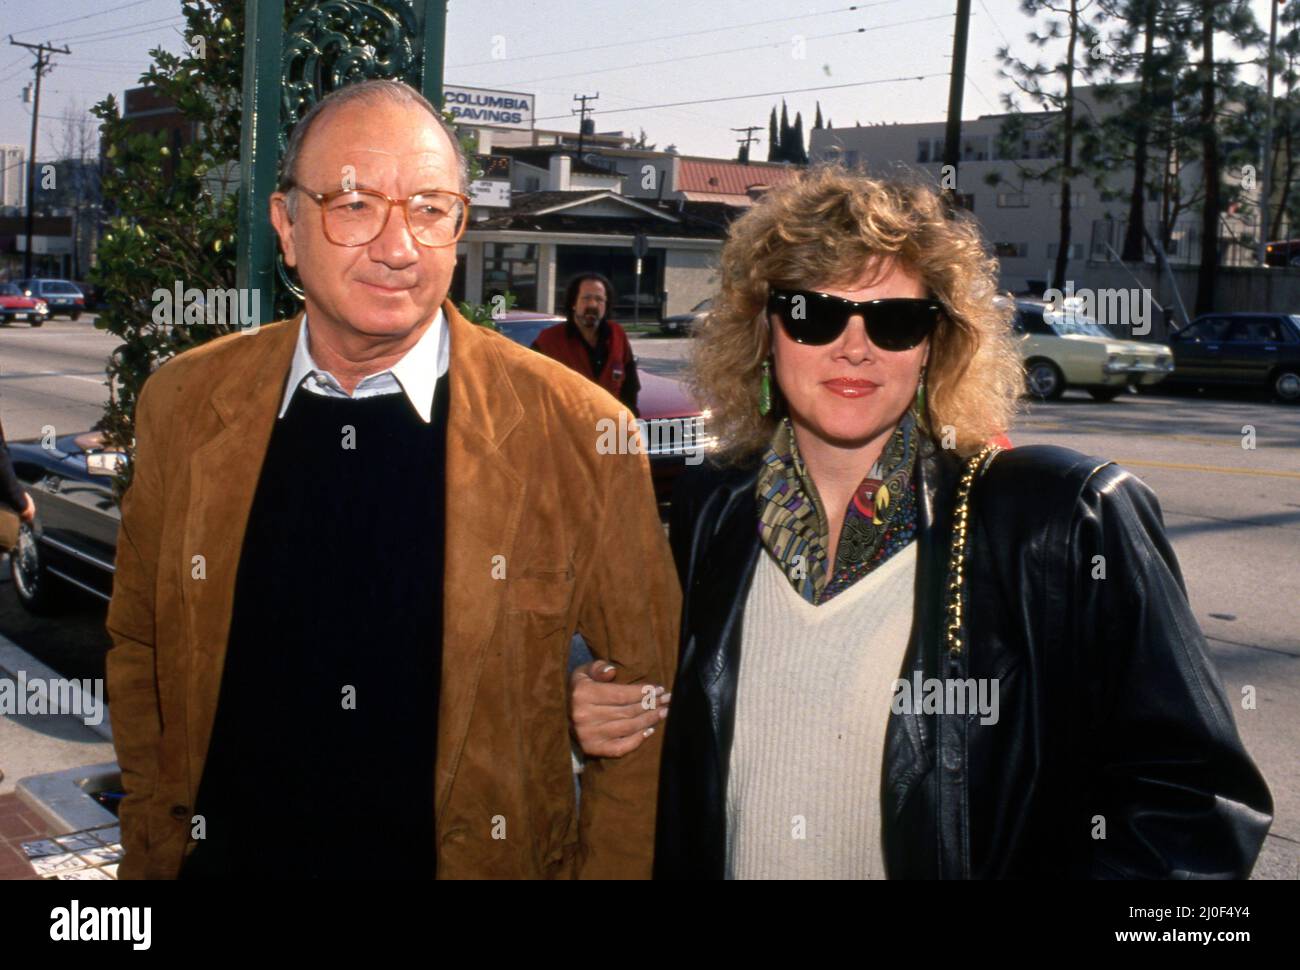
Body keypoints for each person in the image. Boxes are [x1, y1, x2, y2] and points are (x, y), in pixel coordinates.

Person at [569, 166, 1273, 878]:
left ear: (935, 343)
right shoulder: (714, 509)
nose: (855, 346)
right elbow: (705, 738)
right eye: (814, 313)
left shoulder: (1060, 519)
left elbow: (1197, 812)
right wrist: (617, 708)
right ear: (764, 331)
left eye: (894, 320)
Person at [104, 79, 678, 880]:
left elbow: (646, 708)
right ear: (287, 227)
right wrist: (148, 846)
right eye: (354, 204)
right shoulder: (185, 404)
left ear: (459, 228)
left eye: (430, 208)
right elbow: (139, 649)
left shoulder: (581, 434)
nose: (398, 245)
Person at [532, 273, 641, 416]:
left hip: (610, 430)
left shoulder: (617, 335)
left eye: (599, 299)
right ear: (573, 303)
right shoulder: (549, 340)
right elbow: (532, 390)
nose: (592, 305)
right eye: (586, 298)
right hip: (568, 432)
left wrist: (627, 424)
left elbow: (630, 388)